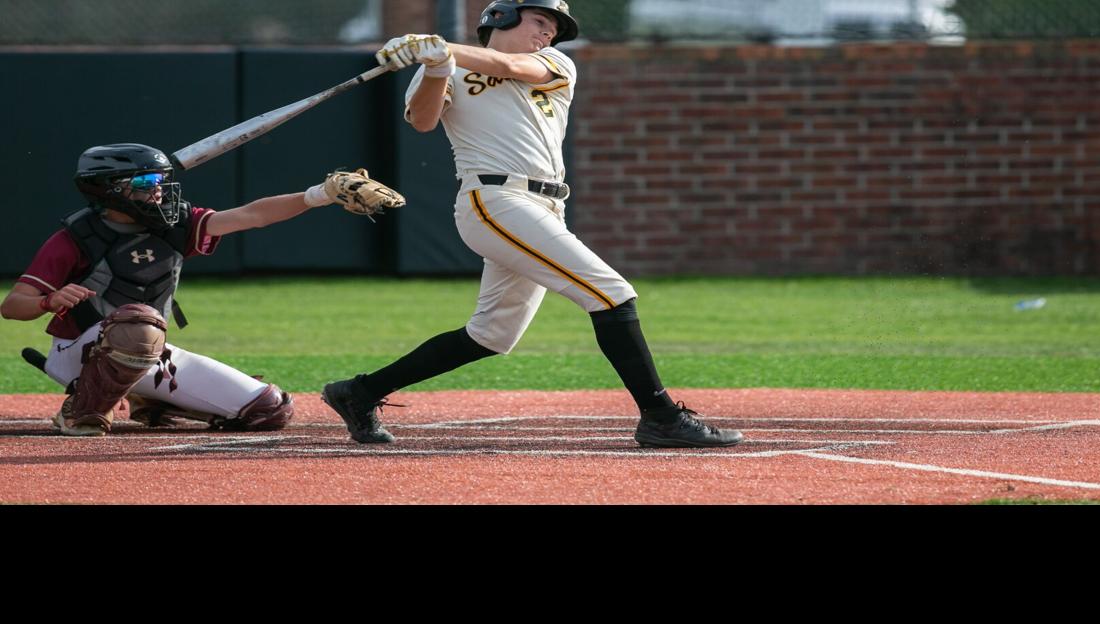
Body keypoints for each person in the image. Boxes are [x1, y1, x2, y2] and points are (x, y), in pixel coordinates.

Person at [320, 0, 742, 447]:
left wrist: (444, 49)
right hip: (494, 199)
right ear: (500, 17)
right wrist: (438, 66)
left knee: (490, 335)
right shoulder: (444, 67)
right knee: (612, 294)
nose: (548, 33)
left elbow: (504, 64)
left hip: (545, 204)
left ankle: (359, 392)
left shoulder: (553, 62)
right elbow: (423, 121)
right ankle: (659, 416)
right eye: (540, 22)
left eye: (553, 28)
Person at [2, 143, 399, 435]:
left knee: (268, 411)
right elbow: (12, 306)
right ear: (107, 188)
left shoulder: (176, 224)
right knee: (140, 323)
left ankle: (151, 402)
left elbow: (252, 215)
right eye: (144, 181)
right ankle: (81, 412)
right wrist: (49, 300)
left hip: (145, 348)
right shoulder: (75, 238)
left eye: (160, 179)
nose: (157, 189)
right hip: (79, 352)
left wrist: (321, 194)